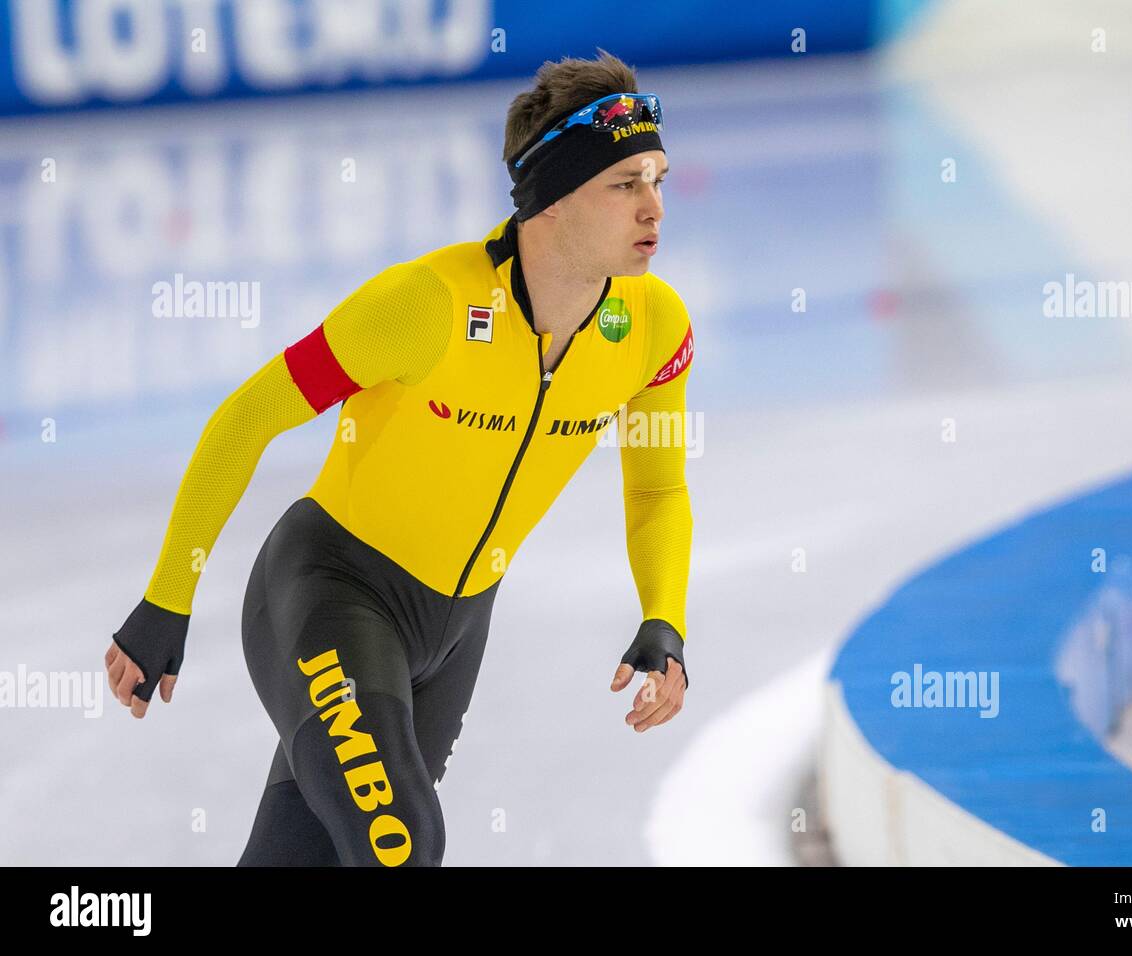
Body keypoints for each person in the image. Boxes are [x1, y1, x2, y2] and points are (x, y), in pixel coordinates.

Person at [103, 49, 695, 867]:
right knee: (399, 844)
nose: (655, 205)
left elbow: (658, 486)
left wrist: (664, 616)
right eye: (624, 183)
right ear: (553, 198)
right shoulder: (428, 305)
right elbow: (247, 417)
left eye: (657, 177)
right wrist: (167, 599)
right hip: (328, 592)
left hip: (453, 633)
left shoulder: (655, 327)